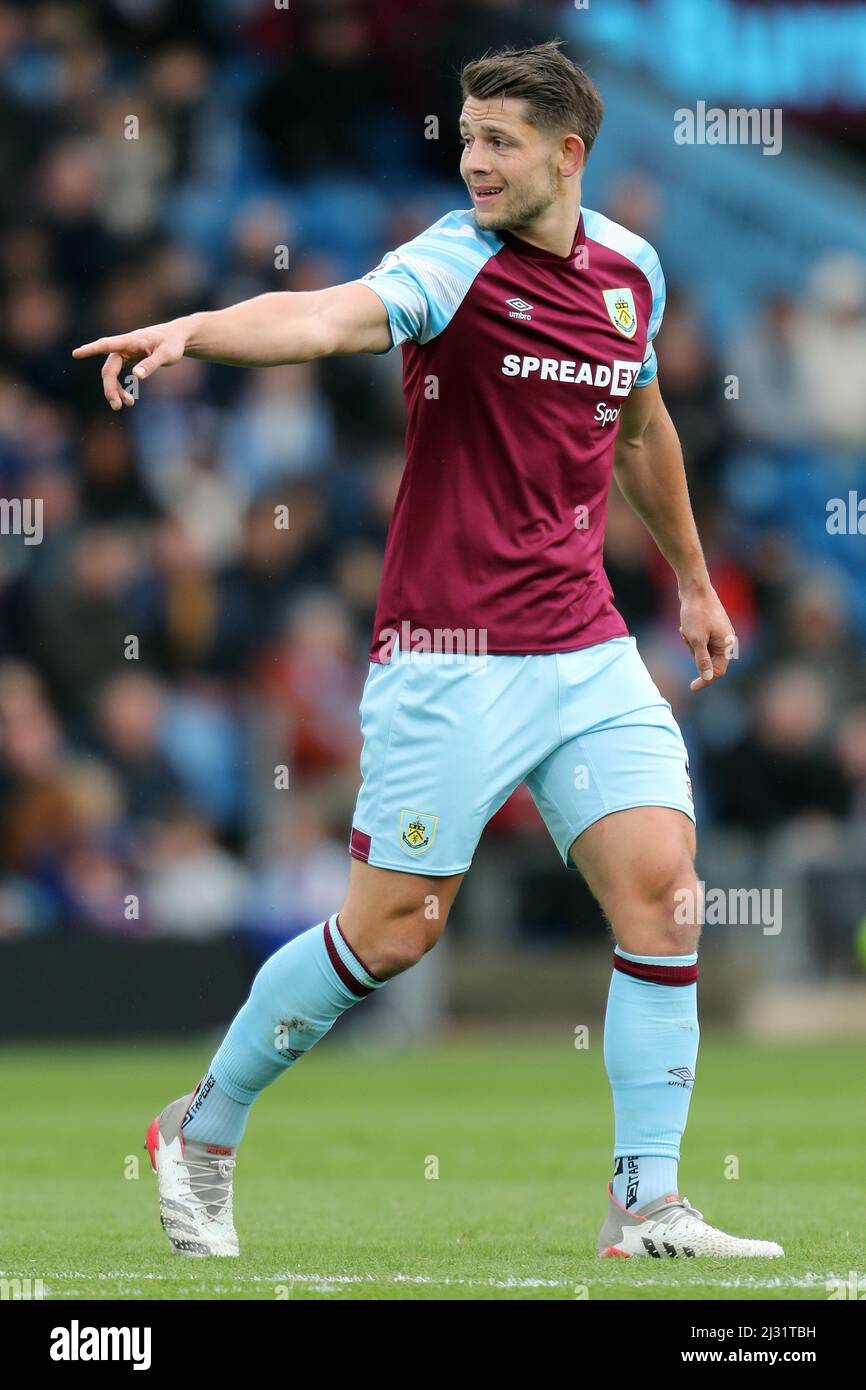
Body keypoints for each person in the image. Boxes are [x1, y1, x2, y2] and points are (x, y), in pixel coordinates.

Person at [72, 41, 782, 1260]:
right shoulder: (451, 262)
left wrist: (691, 580)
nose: (472, 160)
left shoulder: (630, 272)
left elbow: (641, 426)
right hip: (449, 652)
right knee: (396, 931)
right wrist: (198, 327)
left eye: (499, 141)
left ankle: (644, 1200)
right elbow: (324, 316)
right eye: (465, 136)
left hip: (584, 640)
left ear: (567, 156)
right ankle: (204, 1125)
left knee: (665, 890)